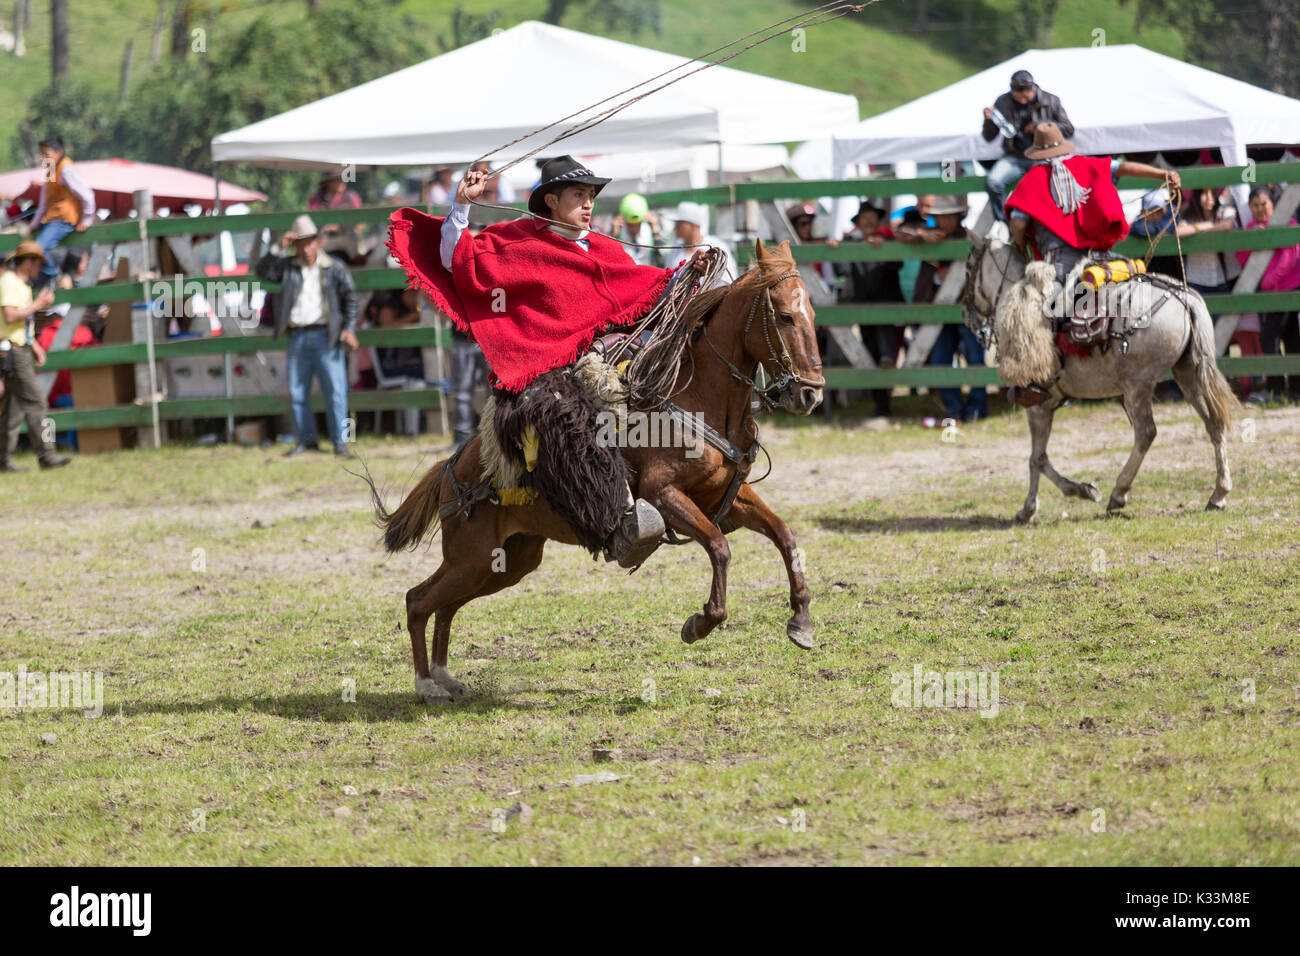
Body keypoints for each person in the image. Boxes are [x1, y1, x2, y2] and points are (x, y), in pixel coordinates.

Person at [388, 156, 714, 568]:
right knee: (571, 412)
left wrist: (686, 275)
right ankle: (615, 520)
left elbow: (644, 285)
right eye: (579, 195)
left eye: (591, 196)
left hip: (607, 353)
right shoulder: (517, 243)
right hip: (542, 364)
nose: (589, 204)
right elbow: (460, 260)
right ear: (552, 201)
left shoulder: (606, 248)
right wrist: (462, 206)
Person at [255, 214, 360, 457]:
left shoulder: (334, 267)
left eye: (309, 242)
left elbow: (350, 299)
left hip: (327, 334)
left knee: (335, 391)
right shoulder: (288, 267)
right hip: (297, 334)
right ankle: (306, 440)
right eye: (300, 244)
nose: (306, 248)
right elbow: (262, 270)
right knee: (297, 391)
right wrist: (279, 247)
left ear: (318, 242)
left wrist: (349, 328)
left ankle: (340, 442)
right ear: (295, 245)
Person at [0, 241, 70, 470]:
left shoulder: (21, 285)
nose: (39, 269)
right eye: (38, 264)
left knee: (13, 409)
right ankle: (47, 455)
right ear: (29, 262)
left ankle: (3, 460)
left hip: (18, 348)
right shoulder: (9, 283)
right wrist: (38, 304)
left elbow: (20, 324)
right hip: (13, 351)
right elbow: (10, 316)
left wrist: (36, 347)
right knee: (36, 402)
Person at [916, 198, 986, 423]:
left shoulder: (970, 238)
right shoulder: (930, 238)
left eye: (949, 216)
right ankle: (953, 408)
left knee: (975, 358)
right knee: (940, 360)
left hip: (967, 306)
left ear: (958, 217)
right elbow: (904, 233)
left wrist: (958, 277)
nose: (944, 221)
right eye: (941, 216)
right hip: (939, 309)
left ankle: (976, 408)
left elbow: (981, 272)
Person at [836, 201, 902, 417]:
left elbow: (897, 263)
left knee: (884, 351)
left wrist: (883, 248)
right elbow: (841, 268)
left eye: (872, 217)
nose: (869, 221)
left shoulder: (888, 241)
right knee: (871, 355)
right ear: (859, 223)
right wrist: (836, 248)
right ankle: (881, 406)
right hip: (863, 308)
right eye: (865, 218)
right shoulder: (851, 244)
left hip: (885, 306)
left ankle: (887, 359)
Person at [981, 70, 1074, 222]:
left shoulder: (1050, 100)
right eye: (1019, 96)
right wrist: (988, 120)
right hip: (1015, 155)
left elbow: (1068, 129)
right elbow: (988, 137)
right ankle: (1006, 222)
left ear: (1033, 88)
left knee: (1048, 188)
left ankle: (1052, 220)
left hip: (1043, 155)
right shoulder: (1003, 102)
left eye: (1026, 96)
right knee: (993, 182)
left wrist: (1039, 126)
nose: (1023, 100)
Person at [1235, 186, 1300, 403]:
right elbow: (1243, 259)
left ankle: (1295, 389)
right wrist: (1250, 239)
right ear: (1250, 208)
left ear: (1273, 205)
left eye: (1264, 204)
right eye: (1255, 205)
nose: (1260, 208)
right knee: (1269, 338)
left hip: (1291, 290)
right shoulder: (1251, 228)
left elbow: (1290, 257)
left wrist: (1268, 281)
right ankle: (1276, 387)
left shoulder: (1288, 223)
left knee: (1292, 339)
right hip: (1269, 295)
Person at [28, 134, 96, 289]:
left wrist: (86, 220)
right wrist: (34, 224)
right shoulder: (51, 169)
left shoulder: (66, 169)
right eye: (42, 154)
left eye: (47, 154)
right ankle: (44, 280)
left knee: (37, 248)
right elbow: (45, 202)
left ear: (58, 153)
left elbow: (87, 195)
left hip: (64, 220)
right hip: (51, 220)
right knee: (31, 248)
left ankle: (52, 274)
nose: (43, 157)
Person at [664, 201, 736, 289]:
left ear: (693, 225)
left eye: (680, 223)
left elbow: (727, 283)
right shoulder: (673, 253)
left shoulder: (717, 247)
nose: (676, 227)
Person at [612, 193, 661, 267]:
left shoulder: (649, 231)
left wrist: (655, 231)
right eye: (630, 225)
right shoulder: (619, 234)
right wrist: (614, 234)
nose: (634, 229)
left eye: (637, 224)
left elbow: (660, 258)